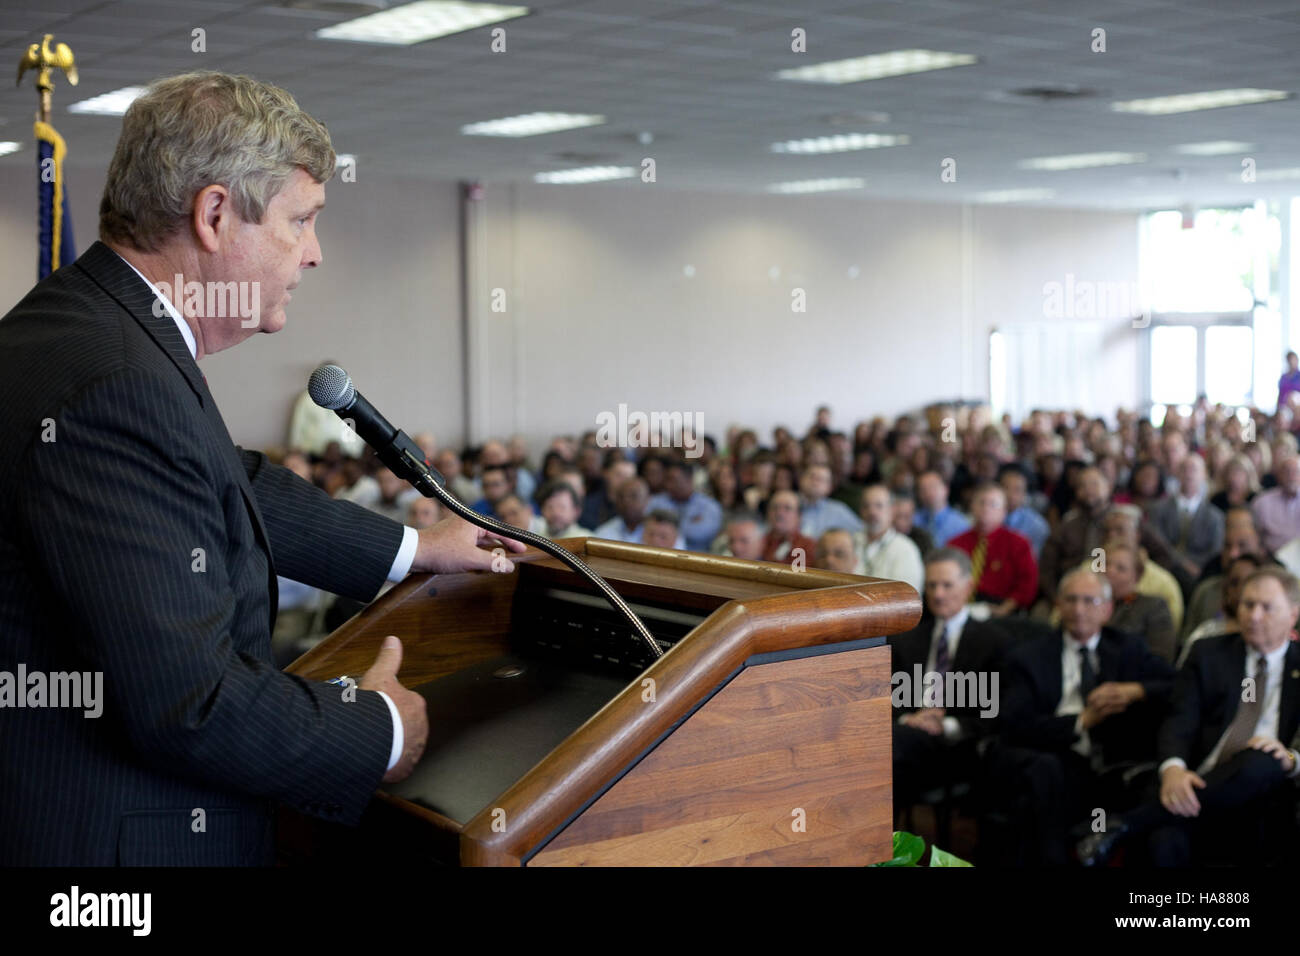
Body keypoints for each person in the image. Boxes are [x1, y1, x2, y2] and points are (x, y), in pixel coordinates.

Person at [0, 72, 526, 866]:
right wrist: (378, 730)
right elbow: (189, 704)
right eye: (301, 220)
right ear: (214, 215)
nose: (313, 253)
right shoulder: (118, 380)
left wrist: (413, 550)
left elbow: (223, 479)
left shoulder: (81, 324)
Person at [1079, 568, 1300, 866]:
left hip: (1264, 791)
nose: (1254, 616)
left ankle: (1127, 823)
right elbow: (1179, 719)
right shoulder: (1209, 654)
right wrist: (1173, 769)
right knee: (1165, 842)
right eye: (1248, 605)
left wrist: (1291, 759)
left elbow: (1288, 756)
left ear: (1294, 614)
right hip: (1196, 777)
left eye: (1266, 607)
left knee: (1263, 759)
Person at [888, 549, 1008, 808]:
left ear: (968, 588)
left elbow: (996, 712)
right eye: (932, 585)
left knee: (886, 745)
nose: (938, 594)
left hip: (958, 746)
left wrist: (947, 724)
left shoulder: (992, 642)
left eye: (947, 585)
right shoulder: (907, 639)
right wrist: (911, 719)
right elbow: (889, 697)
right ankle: (884, 839)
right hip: (907, 736)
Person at [947, 483, 1038, 615]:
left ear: (1004, 512)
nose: (986, 508)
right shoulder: (955, 543)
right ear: (972, 507)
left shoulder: (1019, 543)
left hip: (1001, 608)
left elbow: (1028, 585)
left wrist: (1004, 609)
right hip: (959, 606)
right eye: (981, 503)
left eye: (993, 504)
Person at [858, 484, 924, 593]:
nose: (872, 512)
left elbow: (906, 595)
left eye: (879, 506)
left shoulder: (906, 548)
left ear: (891, 510)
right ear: (861, 511)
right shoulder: (850, 543)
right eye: (866, 506)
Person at [760, 490, 817, 564]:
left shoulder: (809, 546)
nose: (779, 513)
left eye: (787, 508)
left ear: (799, 516)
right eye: (775, 507)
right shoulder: (758, 543)